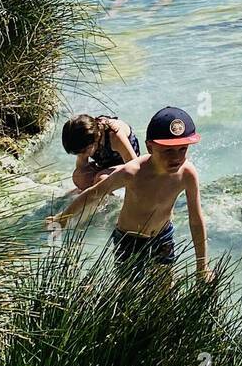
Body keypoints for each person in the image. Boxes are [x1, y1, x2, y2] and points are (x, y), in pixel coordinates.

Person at [49, 107, 209, 278]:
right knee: (128, 289)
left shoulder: (187, 174)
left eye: (182, 149)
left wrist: (202, 267)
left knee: (165, 286)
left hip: (163, 236)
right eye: (168, 150)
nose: (176, 158)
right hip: (129, 240)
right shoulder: (132, 172)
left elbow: (196, 220)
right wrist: (63, 218)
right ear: (150, 147)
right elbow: (93, 194)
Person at [61, 114, 140, 191]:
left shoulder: (115, 136)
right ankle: (102, 195)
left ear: (95, 140)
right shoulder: (85, 140)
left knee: (101, 179)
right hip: (107, 165)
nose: (83, 155)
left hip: (126, 164)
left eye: (84, 151)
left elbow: (135, 168)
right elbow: (81, 169)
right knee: (80, 178)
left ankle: (112, 200)